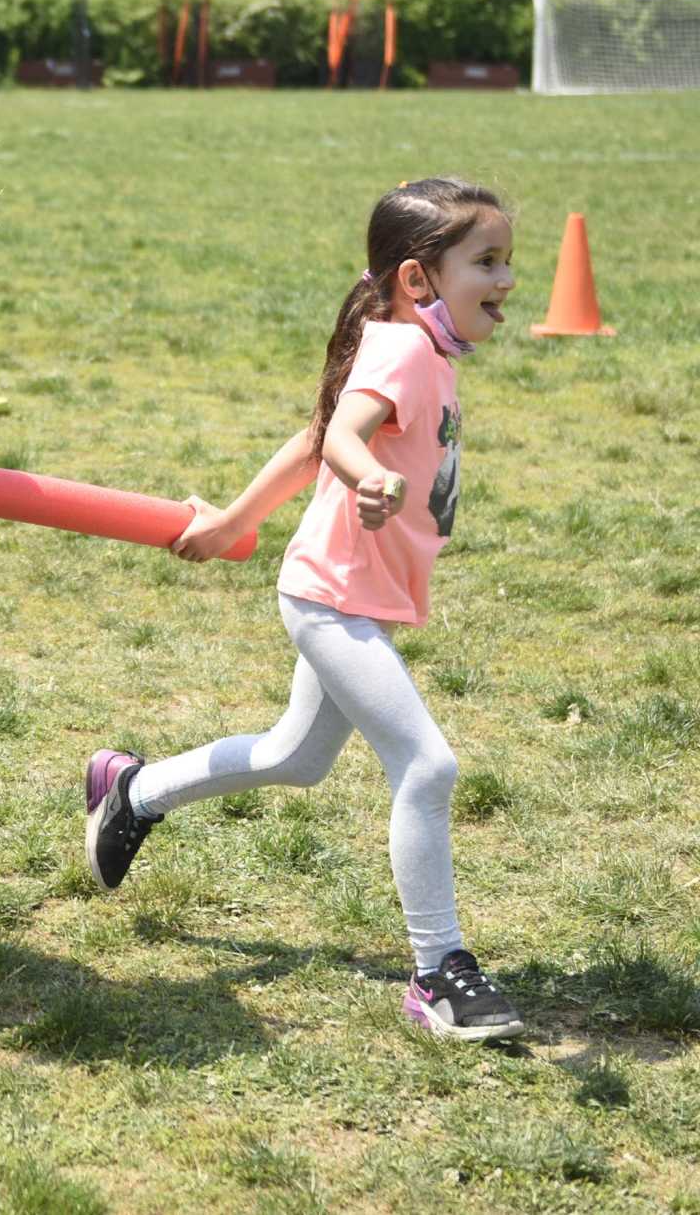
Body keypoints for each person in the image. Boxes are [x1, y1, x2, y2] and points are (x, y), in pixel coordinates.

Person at [84, 177, 525, 1042]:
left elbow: (314, 435)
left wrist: (233, 521)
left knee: (294, 756)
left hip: (355, 595)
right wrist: (370, 478)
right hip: (330, 597)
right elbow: (342, 440)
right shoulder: (404, 350)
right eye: (488, 261)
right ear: (418, 279)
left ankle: (134, 789)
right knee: (427, 765)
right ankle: (439, 970)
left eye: (508, 260)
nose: (507, 279)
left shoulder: (418, 350)